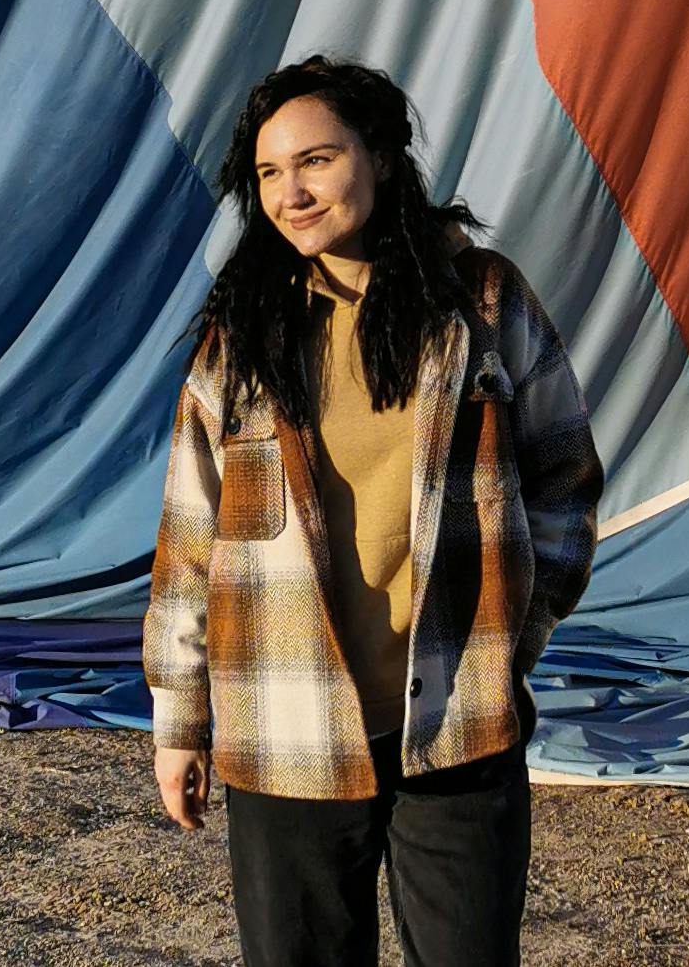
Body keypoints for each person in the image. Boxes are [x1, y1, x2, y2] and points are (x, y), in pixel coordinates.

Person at [144, 55, 603, 967]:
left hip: (457, 726)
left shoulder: (482, 304)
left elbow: (565, 480)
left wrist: (515, 632)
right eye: (269, 175)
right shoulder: (243, 337)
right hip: (285, 727)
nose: (292, 193)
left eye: (316, 161)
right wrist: (179, 721)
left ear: (383, 157)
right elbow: (189, 542)